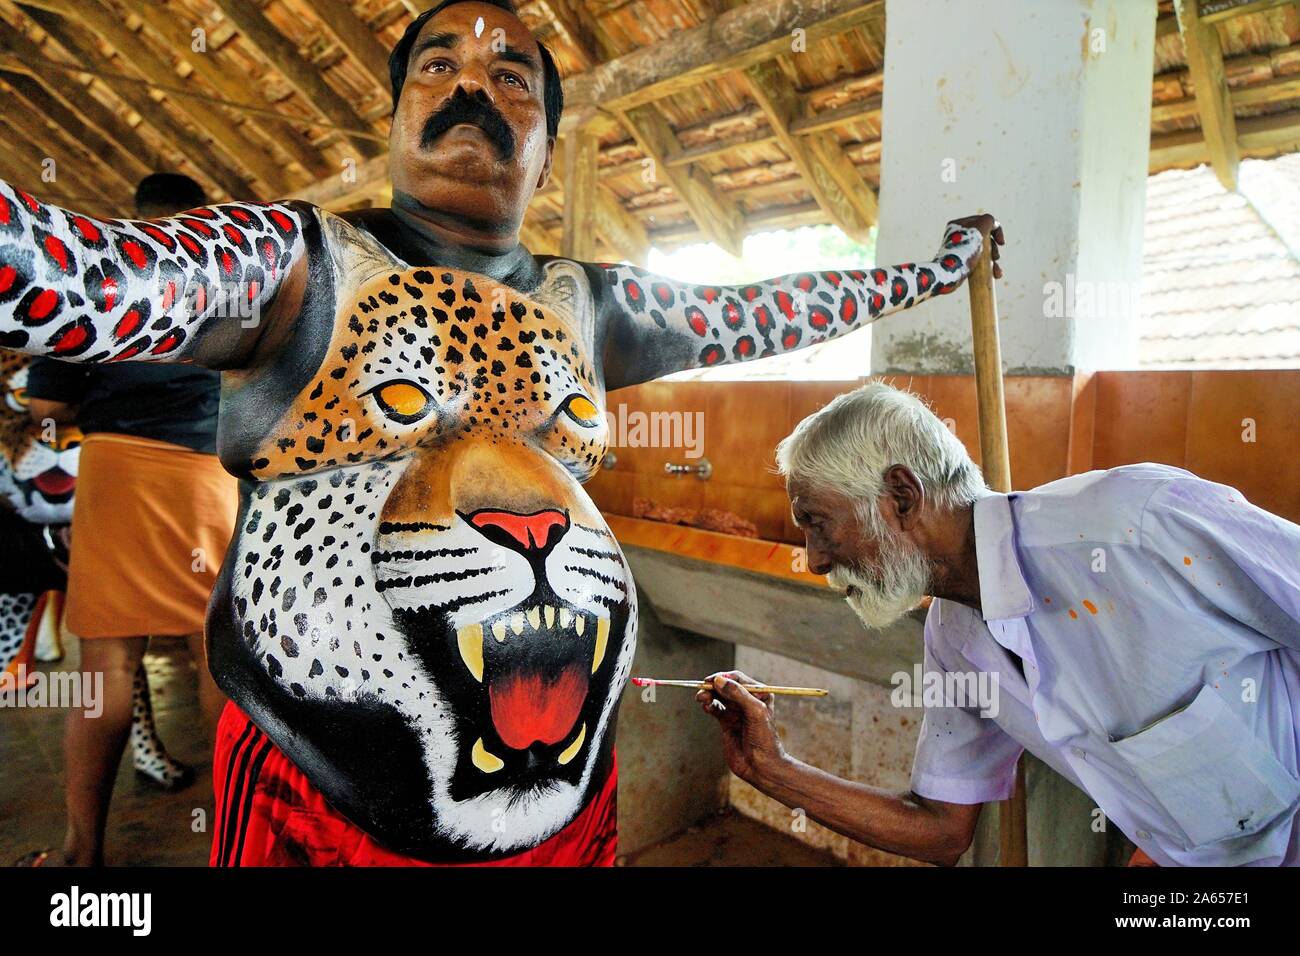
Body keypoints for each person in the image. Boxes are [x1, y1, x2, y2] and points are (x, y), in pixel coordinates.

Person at [0, 0, 1000, 866]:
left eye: (509, 75)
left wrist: (929, 274)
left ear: (545, 140)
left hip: (569, 805)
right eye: (437, 64)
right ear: (395, 117)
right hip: (316, 808)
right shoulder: (297, 261)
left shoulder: (589, 303)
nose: (469, 83)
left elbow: (776, 306)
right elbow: (63, 270)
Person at [695, 382, 1300, 867]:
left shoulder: (1137, 525)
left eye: (818, 523)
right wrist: (771, 769)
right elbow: (939, 828)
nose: (818, 558)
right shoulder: (954, 637)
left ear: (902, 496)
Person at [20, 173, 233, 866]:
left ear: (133, 218)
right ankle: (236, 840)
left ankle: (83, 851)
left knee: (106, 663)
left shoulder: (94, 281)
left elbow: (47, 408)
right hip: (210, 477)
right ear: (200, 219)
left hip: (116, 472)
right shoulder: (231, 287)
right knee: (216, 655)